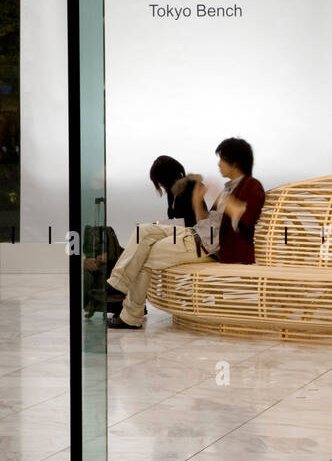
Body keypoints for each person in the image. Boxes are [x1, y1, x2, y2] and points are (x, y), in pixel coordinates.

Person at [106, 155, 209, 330]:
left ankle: (118, 286)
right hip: (180, 235)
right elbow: (176, 221)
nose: (159, 185)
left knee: (144, 231)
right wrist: (162, 226)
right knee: (143, 251)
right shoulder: (172, 193)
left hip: (194, 235)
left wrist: (161, 226)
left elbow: (195, 222)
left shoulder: (190, 186)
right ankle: (129, 315)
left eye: (158, 180)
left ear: (165, 177)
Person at [176, 137, 265, 265]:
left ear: (235, 162)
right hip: (195, 234)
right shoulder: (227, 189)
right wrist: (197, 203)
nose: (219, 164)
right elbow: (205, 223)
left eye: (222, 159)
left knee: (155, 250)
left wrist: (219, 196)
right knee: (145, 232)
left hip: (204, 246)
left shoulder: (252, 186)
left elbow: (246, 220)